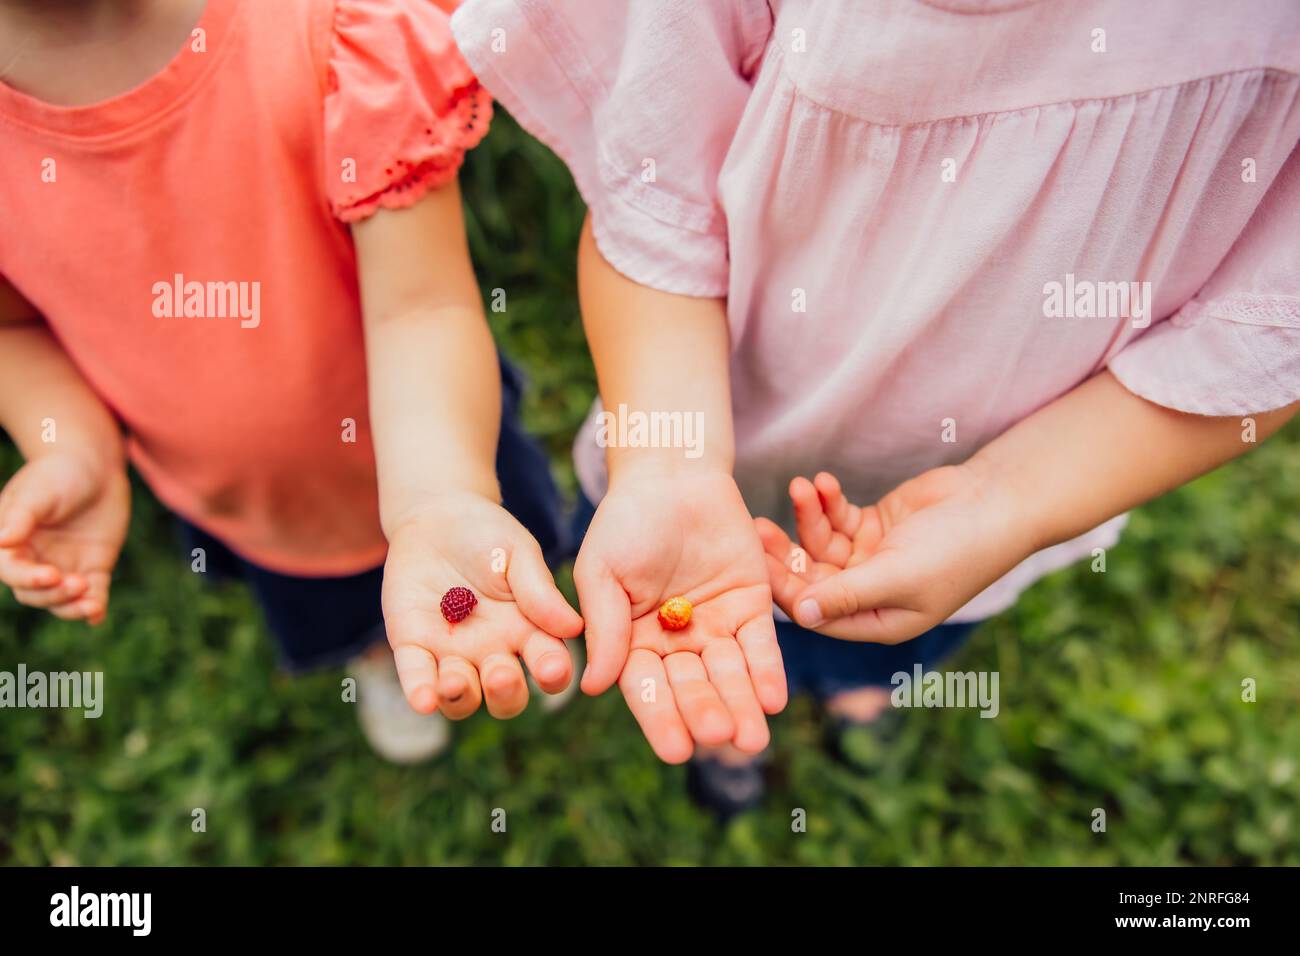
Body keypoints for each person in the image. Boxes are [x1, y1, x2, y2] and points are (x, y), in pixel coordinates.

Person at [451, 0, 1300, 815]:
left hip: (988, 504)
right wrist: (668, 468)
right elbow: (654, 214)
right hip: (717, 438)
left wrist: (1010, 502)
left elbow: (1253, 345)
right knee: (731, 622)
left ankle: (860, 689)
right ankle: (735, 734)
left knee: (891, 629)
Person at [0, 0, 583, 763]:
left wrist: (442, 499)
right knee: (341, 614)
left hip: (447, 450)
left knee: (501, 555)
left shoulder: (332, 32)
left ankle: (519, 613)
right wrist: (72, 447)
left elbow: (422, 307)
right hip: (255, 508)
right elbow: (15, 328)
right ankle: (378, 657)